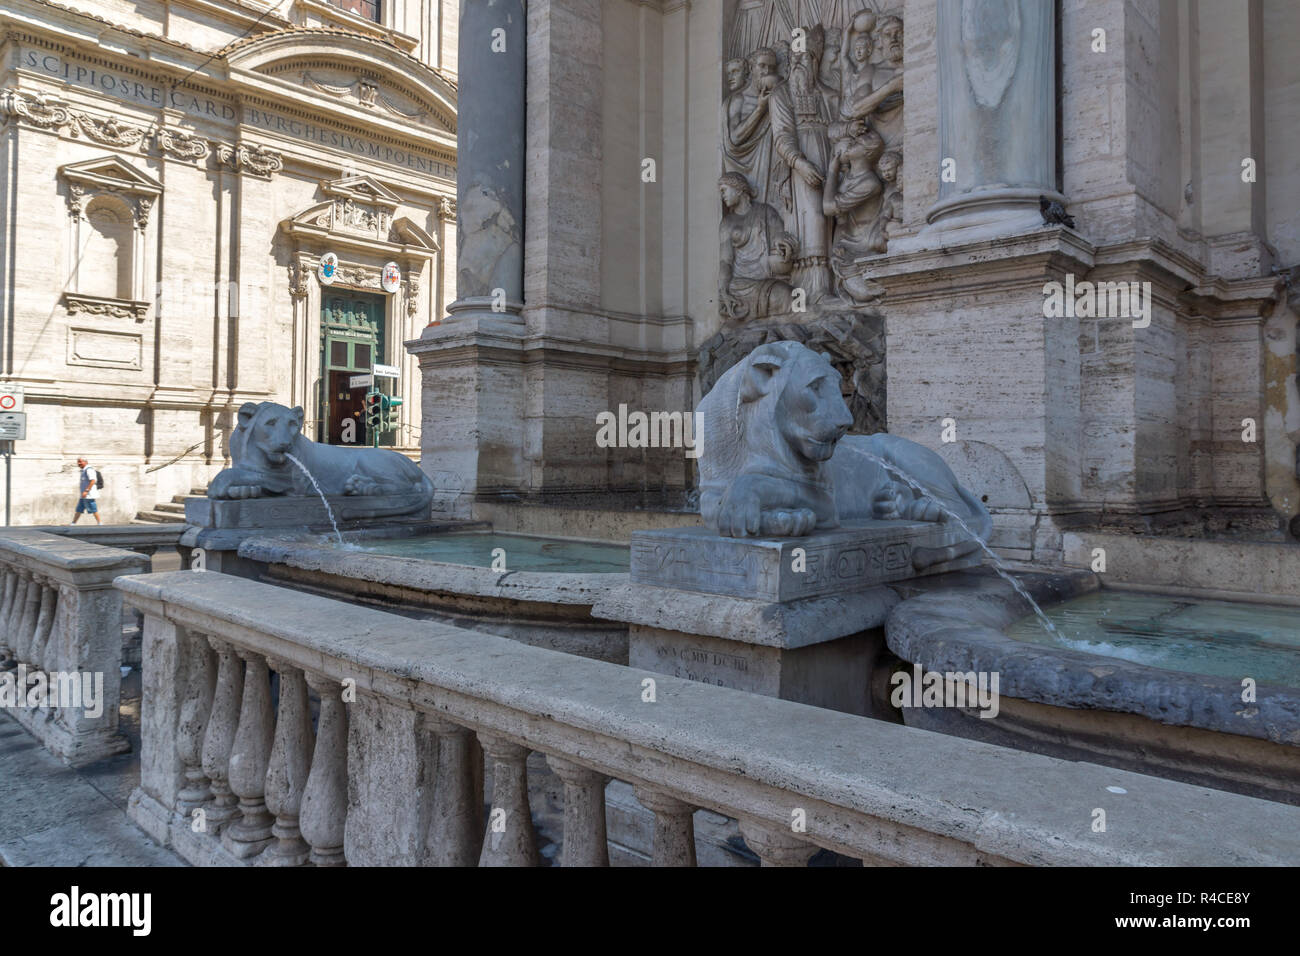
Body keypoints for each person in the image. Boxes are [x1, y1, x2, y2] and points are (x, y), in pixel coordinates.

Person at [72, 457, 101, 525]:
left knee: (93, 509)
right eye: (78, 462)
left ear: (85, 462)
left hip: (88, 495)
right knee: (79, 509)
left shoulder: (89, 470)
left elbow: (93, 480)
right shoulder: (84, 471)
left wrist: (86, 490)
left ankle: (99, 522)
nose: (79, 463)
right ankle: (73, 523)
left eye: (80, 462)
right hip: (84, 495)